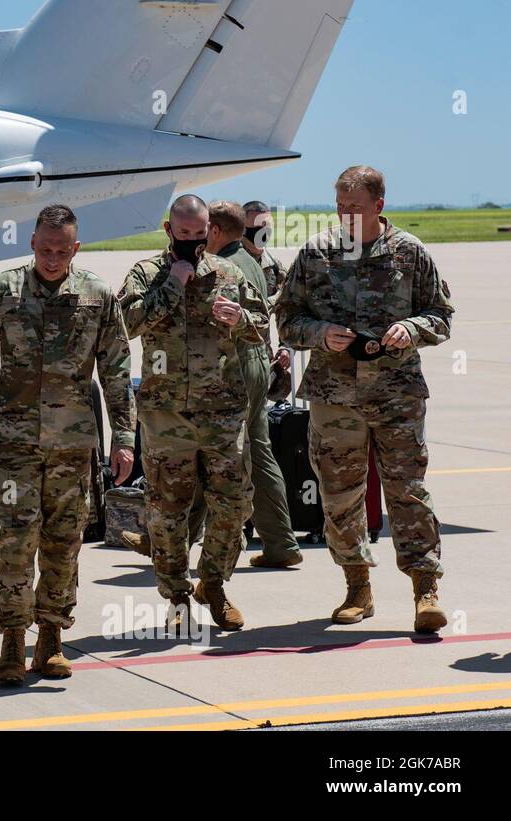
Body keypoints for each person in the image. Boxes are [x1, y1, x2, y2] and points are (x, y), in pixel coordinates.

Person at [276, 166, 454, 633]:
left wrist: (411, 329)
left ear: (379, 205)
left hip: (396, 394)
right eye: (340, 207)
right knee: (339, 494)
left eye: (355, 207)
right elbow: (287, 318)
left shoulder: (409, 253)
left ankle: (425, 589)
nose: (346, 215)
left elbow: (441, 315)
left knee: (408, 491)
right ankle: (357, 585)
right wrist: (319, 333)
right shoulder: (317, 253)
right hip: (335, 395)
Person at [0, 204, 135, 683]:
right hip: (15, 444)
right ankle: (13, 641)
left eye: (62, 250)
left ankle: (53, 638)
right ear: (32, 244)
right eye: (45, 249)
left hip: (73, 446)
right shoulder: (3, 291)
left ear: (75, 249)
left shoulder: (98, 296)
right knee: (16, 542)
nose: (53, 258)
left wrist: (123, 438)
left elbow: (117, 370)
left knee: (63, 544)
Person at [117, 194, 267, 632]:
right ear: (169, 231)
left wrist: (239, 318)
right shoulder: (147, 273)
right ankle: (178, 595)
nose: (192, 243)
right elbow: (126, 323)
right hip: (168, 418)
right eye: (183, 235)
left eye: (199, 236)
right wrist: (172, 285)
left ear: (210, 233)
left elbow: (261, 327)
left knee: (234, 504)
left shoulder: (228, 273)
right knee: (167, 511)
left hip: (221, 413)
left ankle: (214, 583)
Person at [185, 202, 302, 569]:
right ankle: (280, 542)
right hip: (254, 362)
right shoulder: (252, 260)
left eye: (204, 231)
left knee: (217, 448)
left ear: (216, 232)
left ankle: (180, 538)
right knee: (256, 449)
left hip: (238, 364)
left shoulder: (228, 265)